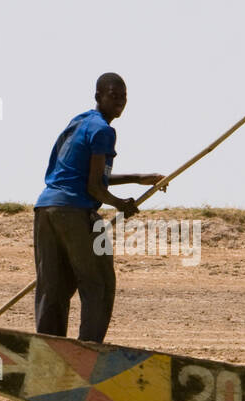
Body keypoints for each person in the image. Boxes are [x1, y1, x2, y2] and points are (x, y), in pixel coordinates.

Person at [33, 72, 165, 342]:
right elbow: (94, 188)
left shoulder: (79, 122)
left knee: (54, 287)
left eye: (123, 97)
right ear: (98, 96)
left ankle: (48, 348)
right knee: (99, 283)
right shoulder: (104, 131)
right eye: (113, 96)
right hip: (75, 212)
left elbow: (85, 176)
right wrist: (121, 205)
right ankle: (88, 351)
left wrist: (138, 179)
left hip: (46, 209)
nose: (119, 102)